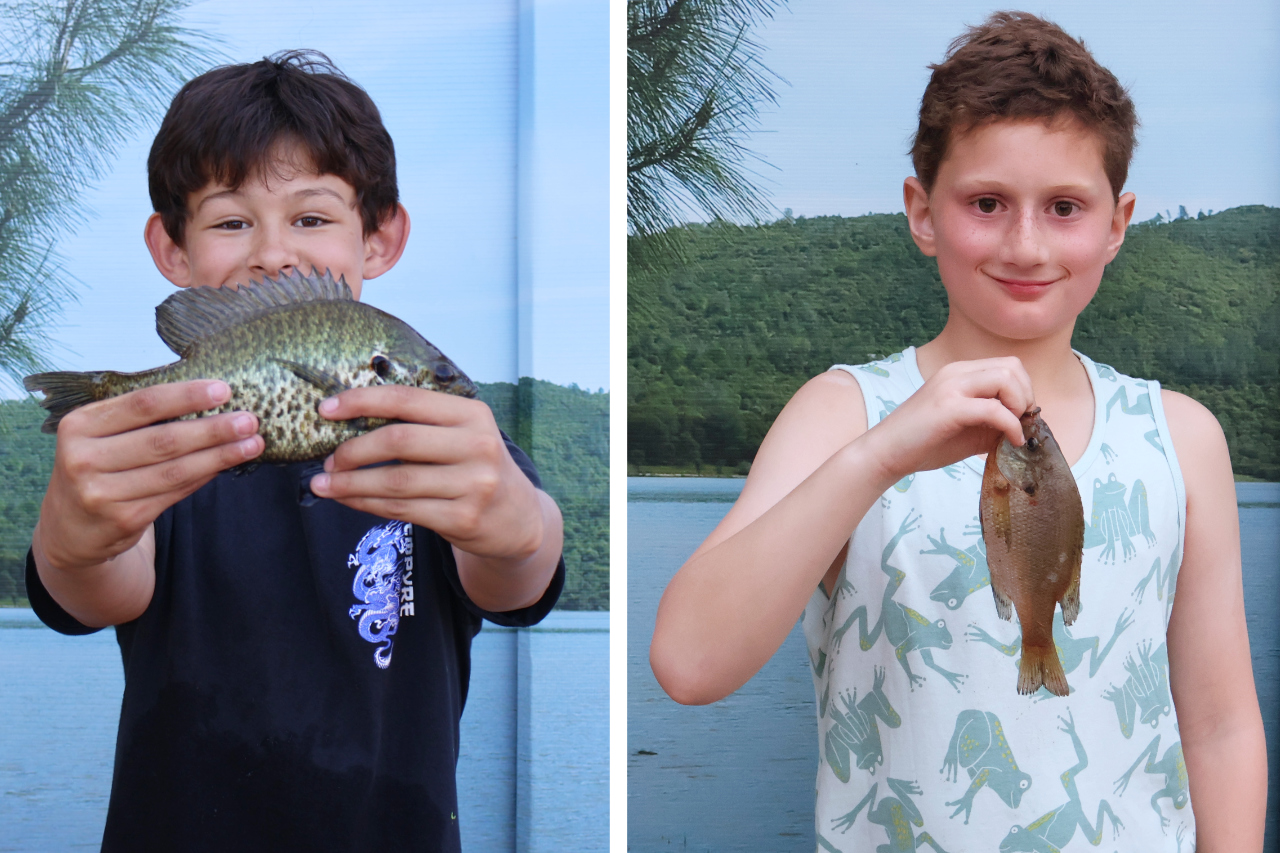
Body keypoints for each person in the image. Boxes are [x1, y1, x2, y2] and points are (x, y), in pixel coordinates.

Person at [650, 12, 1265, 851]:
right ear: (922, 211)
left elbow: (1223, 724)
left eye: (1064, 207)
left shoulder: (1183, 437)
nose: (1025, 242)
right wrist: (882, 453)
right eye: (986, 202)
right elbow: (689, 663)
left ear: (1117, 224)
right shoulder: (842, 415)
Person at [25, 51, 564, 850]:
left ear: (380, 238)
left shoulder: (440, 436)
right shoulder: (153, 449)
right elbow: (98, 587)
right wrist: (73, 542)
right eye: (231, 221)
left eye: (311, 218)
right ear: (172, 250)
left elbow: (518, 575)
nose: (274, 253)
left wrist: (520, 526)